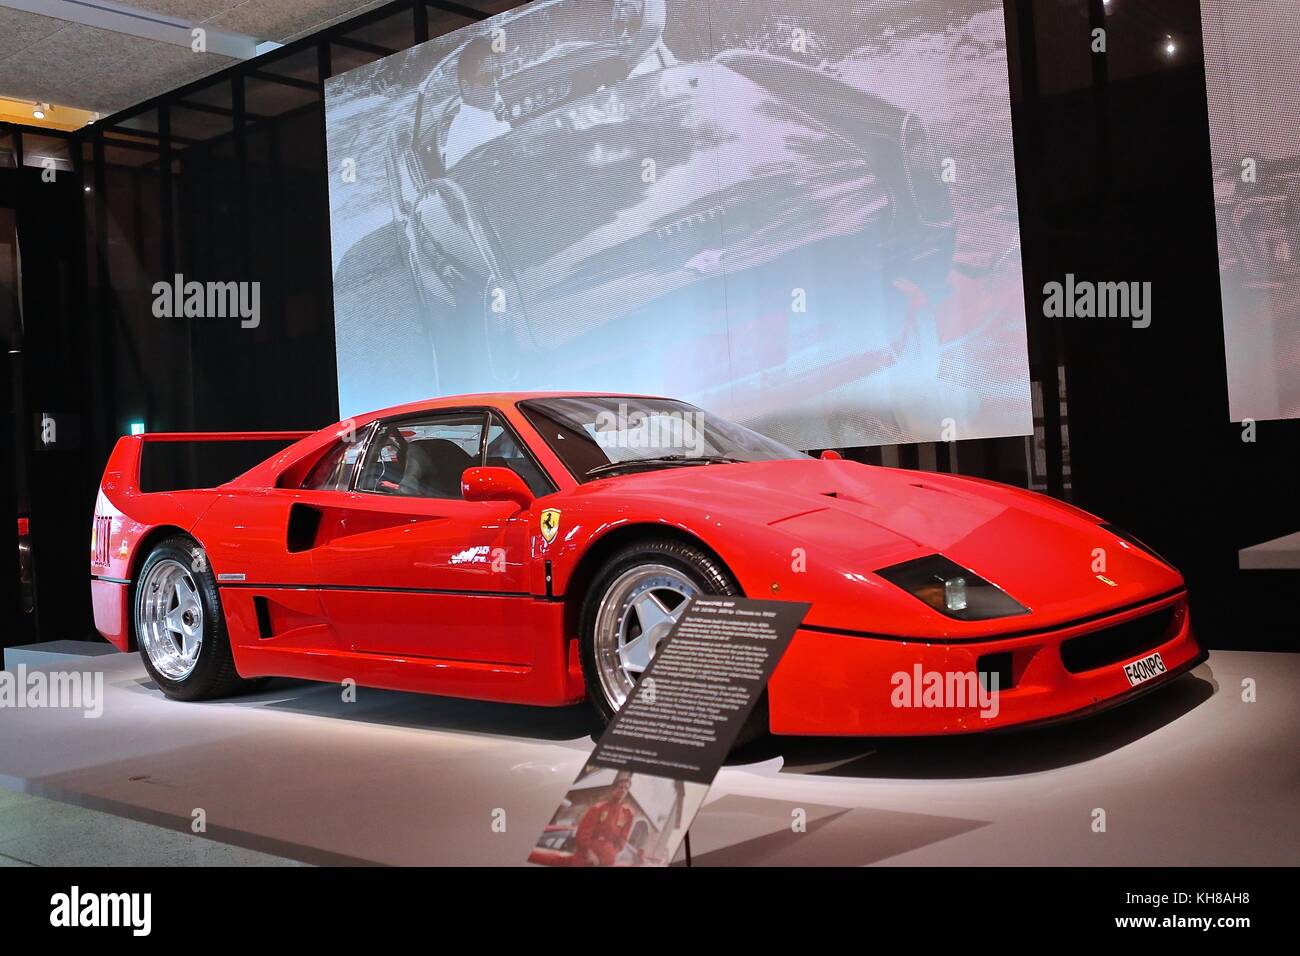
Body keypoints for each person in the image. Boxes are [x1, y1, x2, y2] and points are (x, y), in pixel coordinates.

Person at [444, 35, 511, 170]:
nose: (496, 85)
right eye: (486, 78)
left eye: (498, 74)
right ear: (466, 87)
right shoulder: (465, 134)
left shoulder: (488, 107)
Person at [573, 772, 639, 866]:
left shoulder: (628, 814)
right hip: (589, 853)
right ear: (613, 790)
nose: (623, 790)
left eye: (626, 788)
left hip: (608, 857)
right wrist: (589, 853)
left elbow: (623, 839)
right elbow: (582, 834)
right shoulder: (598, 808)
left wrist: (613, 852)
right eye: (620, 787)